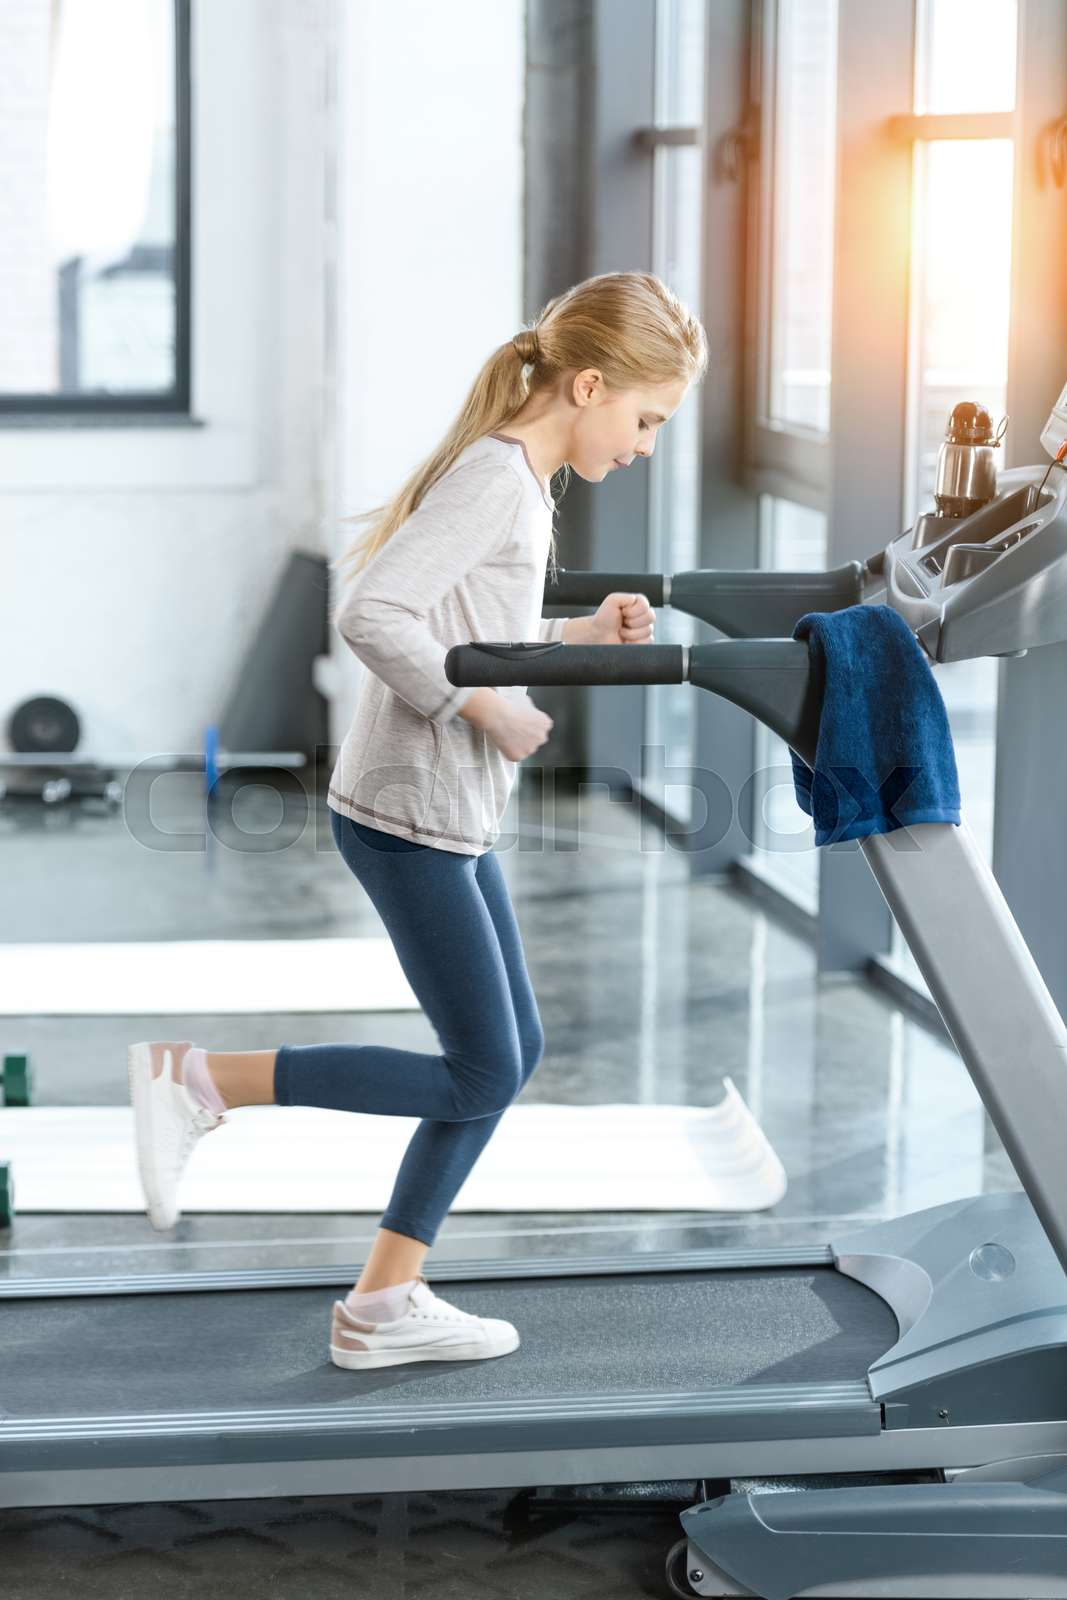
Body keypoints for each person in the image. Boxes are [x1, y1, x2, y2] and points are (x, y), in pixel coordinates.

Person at [128, 269, 707, 1370]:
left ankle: (383, 1301)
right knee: (483, 1069)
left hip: (439, 814)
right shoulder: (498, 479)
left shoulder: (523, 481)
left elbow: (468, 611)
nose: (642, 445)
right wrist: (479, 702)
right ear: (587, 386)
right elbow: (375, 611)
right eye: (645, 419)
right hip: (409, 813)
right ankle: (198, 1080)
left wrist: (575, 633)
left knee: (508, 1050)